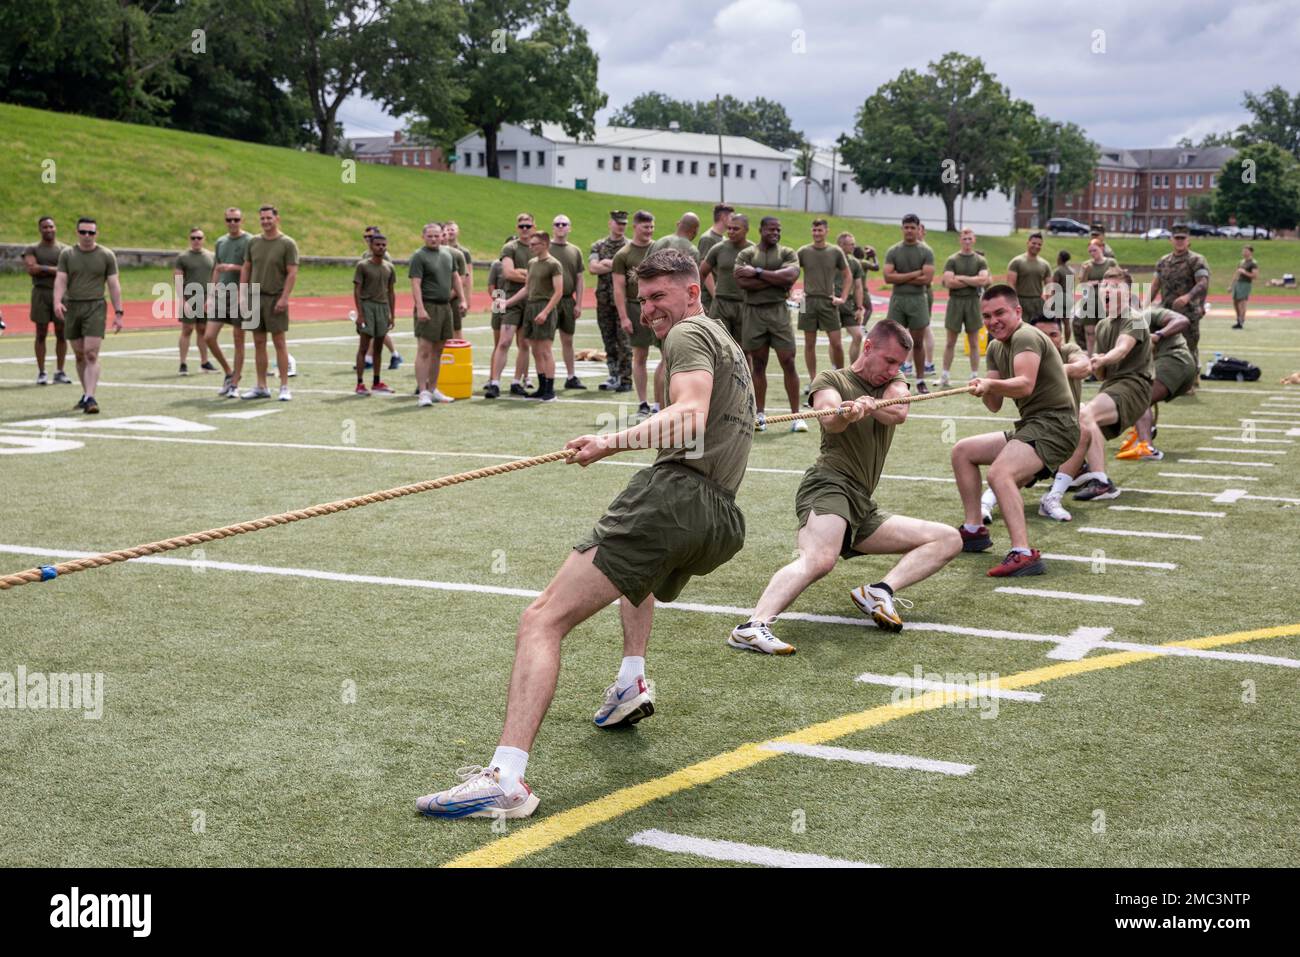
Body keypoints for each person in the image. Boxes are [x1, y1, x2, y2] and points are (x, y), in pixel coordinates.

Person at [416, 249, 755, 820]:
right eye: (643, 299)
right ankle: (630, 680)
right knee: (634, 575)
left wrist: (608, 441)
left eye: (659, 297)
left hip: (677, 497)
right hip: (720, 519)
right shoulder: (727, 342)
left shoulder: (687, 336)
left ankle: (506, 777)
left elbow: (691, 414)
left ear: (693, 292)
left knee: (542, 619)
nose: (649, 311)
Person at [731, 319, 961, 654]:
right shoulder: (831, 380)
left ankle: (879, 591)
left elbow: (898, 410)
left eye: (899, 364)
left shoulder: (892, 383)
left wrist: (870, 405)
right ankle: (752, 625)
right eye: (889, 360)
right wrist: (847, 413)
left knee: (948, 538)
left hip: (861, 504)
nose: (893, 369)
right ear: (868, 347)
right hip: (829, 486)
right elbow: (828, 416)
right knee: (820, 560)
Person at [949, 285, 1080, 577]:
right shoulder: (995, 346)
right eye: (986, 316)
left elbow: (1025, 384)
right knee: (963, 451)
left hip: (1057, 426)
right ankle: (974, 530)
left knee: (999, 474)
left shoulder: (1026, 335)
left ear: (1017, 311)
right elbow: (994, 405)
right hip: (1033, 426)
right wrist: (983, 387)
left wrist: (991, 383)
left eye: (999, 313)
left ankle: (1023, 552)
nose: (993, 321)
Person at [1038, 268, 1153, 516]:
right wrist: (1095, 364)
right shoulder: (1102, 325)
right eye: (1105, 286)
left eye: (1116, 286)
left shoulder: (1134, 319)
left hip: (1135, 384)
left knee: (1085, 414)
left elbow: (1121, 349)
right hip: (1112, 385)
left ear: (1129, 293)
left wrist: (1102, 360)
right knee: (1083, 418)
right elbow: (1101, 374)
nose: (1109, 290)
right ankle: (1085, 471)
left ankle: (1100, 481)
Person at [980, 312, 1091, 524]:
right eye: (1042, 335)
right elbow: (995, 404)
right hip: (1038, 429)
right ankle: (986, 502)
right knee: (1013, 470)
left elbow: (1085, 366)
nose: (1048, 340)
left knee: (1085, 429)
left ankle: (1053, 498)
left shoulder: (1068, 351)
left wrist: (1055, 369)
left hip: (1064, 430)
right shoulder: (1020, 352)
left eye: (1054, 334)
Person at [734, 216, 804, 432]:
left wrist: (758, 273)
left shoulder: (787, 253)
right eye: (771, 229)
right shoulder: (747, 253)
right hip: (754, 312)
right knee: (759, 364)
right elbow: (740, 280)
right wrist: (775, 280)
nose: (775, 232)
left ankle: (796, 415)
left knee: (788, 361)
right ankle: (760, 414)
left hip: (778, 311)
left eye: (778, 229)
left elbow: (790, 276)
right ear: (761, 229)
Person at [53, 217, 123, 415]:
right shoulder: (67, 254)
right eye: (83, 232)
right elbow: (61, 279)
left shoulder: (106, 255)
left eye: (91, 232)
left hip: (95, 306)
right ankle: (86, 395)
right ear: (77, 233)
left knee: (91, 353)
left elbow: (114, 284)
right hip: (72, 307)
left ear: (96, 234)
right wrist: (57, 301)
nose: (87, 236)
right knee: (79, 353)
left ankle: (91, 397)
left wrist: (119, 312)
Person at [1116, 305, 1196, 461]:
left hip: (1175, 360)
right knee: (1136, 394)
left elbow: (1183, 320)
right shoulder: (1120, 327)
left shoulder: (1144, 316)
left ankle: (1146, 446)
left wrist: (1158, 335)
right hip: (1175, 365)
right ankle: (1144, 432)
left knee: (1138, 398)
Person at [238, 204, 298, 401]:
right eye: (262, 218)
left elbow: (292, 273)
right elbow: (246, 267)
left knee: (279, 342)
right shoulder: (253, 242)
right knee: (258, 342)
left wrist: (284, 297)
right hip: (255, 296)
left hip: (275, 297)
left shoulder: (287, 243)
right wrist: (242, 292)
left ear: (277, 219)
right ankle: (261, 386)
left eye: (268, 218)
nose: (265, 222)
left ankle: (284, 386)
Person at [501, 231, 563, 402]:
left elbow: (558, 292)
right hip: (531, 306)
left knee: (545, 350)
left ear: (544, 244)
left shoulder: (554, 264)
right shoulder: (531, 263)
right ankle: (542, 387)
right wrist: (508, 303)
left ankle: (550, 390)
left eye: (534, 244)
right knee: (535, 350)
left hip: (544, 306)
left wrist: (545, 312)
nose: (530, 247)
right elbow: (527, 288)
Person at [410, 223, 463, 406]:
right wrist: (421, 307)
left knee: (438, 351)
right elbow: (415, 283)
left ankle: (433, 389)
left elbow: (455, 277)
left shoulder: (448, 254)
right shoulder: (419, 256)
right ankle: (423, 392)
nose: (433, 239)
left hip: (445, 307)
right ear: (423, 236)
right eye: (430, 236)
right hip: (428, 306)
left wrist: (462, 299)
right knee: (424, 349)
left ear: (442, 236)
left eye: (436, 235)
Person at [485, 213, 537, 398]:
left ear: (534, 226)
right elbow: (507, 274)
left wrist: (522, 273)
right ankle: (494, 382)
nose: (525, 229)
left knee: (524, 343)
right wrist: (530, 275)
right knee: (503, 341)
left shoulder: (537, 247)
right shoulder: (509, 248)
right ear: (517, 227)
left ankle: (518, 381)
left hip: (530, 301)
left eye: (528, 225)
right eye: (521, 226)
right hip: (507, 300)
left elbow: (540, 274)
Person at [612, 210, 657, 417]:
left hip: (658, 306)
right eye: (645, 226)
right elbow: (619, 288)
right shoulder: (623, 254)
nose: (649, 230)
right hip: (634, 306)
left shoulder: (658, 248)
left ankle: (660, 402)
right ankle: (643, 402)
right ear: (635, 227)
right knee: (640, 355)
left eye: (651, 226)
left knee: (669, 354)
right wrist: (623, 317)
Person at [795, 218, 851, 386]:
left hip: (828, 302)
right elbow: (792, 271)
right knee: (809, 343)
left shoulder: (835, 252)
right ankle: (814, 381)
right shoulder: (803, 251)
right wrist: (794, 292)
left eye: (820, 230)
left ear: (827, 231)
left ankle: (841, 378)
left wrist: (843, 298)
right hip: (807, 302)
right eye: (814, 230)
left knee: (837, 343)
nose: (817, 233)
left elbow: (847, 275)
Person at [882, 213, 934, 392]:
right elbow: (888, 277)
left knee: (918, 342)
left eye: (913, 227)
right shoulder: (893, 251)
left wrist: (900, 277)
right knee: (893, 341)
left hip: (918, 299)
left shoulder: (925, 251)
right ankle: (891, 378)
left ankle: (920, 380)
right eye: (906, 227)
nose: (909, 230)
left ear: (918, 229)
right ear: (902, 228)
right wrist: (914, 274)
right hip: (898, 299)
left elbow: (927, 278)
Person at [1150, 222, 1210, 376]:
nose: (1179, 241)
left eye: (1183, 238)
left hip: (1188, 312)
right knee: (1163, 345)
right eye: (1176, 238)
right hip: (1166, 312)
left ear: (1188, 240)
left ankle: (1191, 380)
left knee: (1189, 347)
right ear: (1171, 240)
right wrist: (1144, 305)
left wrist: (1188, 297)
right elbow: (1155, 285)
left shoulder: (1196, 260)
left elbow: (1203, 283)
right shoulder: (1163, 261)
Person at [207, 207, 251, 397]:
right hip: (221, 296)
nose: (233, 223)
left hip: (240, 295)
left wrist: (234, 267)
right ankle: (229, 372)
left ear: (242, 220)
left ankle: (235, 383)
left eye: (236, 219)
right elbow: (217, 268)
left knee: (238, 340)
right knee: (209, 337)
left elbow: (251, 268)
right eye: (229, 220)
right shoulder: (221, 242)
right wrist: (210, 295)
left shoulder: (249, 241)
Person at [22, 216, 71, 385]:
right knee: (41, 332)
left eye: (51, 226)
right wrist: (55, 270)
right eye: (44, 227)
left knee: (61, 333)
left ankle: (60, 371)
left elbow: (67, 272)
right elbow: (31, 269)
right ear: (39, 229)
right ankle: (42, 372)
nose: (48, 230)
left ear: (55, 228)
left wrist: (43, 268)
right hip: (41, 293)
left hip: (61, 294)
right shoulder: (32, 248)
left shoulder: (65, 250)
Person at [940, 228, 990, 387]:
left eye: (970, 239)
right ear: (960, 240)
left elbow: (983, 280)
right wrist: (972, 280)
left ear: (974, 240)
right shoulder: (952, 260)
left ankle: (974, 375)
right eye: (964, 239)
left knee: (974, 342)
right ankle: (945, 375)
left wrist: (960, 278)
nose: (967, 242)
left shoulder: (980, 260)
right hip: (955, 301)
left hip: (973, 302)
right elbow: (948, 282)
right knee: (950, 342)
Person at [589, 211, 632, 392]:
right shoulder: (599, 245)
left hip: (623, 301)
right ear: (610, 224)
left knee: (625, 341)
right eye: (618, 223)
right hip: (605, 300)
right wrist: (614, 265)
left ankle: (626, 379)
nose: (621, 226)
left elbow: (631, 270)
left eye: (624, 223)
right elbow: (592, 268)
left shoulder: (630, 246)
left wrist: (607, 262)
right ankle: (613, 375)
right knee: (608, 340)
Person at [352, 234, 396, 396]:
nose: (381, 248)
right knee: (364, 346)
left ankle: (377, 381)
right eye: (378, 245)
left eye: (384, 245)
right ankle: (360, 383)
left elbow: (391, 292)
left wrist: (392, 314)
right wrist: (360, 314)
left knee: (378, 347)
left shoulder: (389, 267)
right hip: (367, 306)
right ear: (371, 246)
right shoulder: (362, 266)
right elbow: (357, 290)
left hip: (382, 308)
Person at [699, 213, 752, 344]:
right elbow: (702, 272)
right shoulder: (719, 248)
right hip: (721, 304)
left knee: (745, 350)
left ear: (746, 230)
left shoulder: (754, 250)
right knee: (719, 347)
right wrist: (697, 298)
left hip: (744, 305)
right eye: (729, 228)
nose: (731, 232)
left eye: (736, 229)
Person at [548, 214, 587, 389]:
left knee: (568, 341)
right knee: (545, 341)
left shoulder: (575, 251)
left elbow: (579, 279)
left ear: (569, 228)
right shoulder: (546, 248)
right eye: (557, 224)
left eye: (564, 224)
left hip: (567, 300)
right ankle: (547, 377)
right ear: (553, 227)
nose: (561, 227)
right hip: (548, 300)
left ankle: (571, 376)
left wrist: (578, 303)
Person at [173, 228, 215, 376]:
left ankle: (204, 363)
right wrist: (183, 300)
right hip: (190, 296)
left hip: (205, 297)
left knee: (203, 330)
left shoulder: (211, 256)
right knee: (187, 329)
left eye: (199, 237)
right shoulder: (183, 257)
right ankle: (183, 363)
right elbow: (178, 279)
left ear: (204, 239)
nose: (196, 240)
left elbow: (214, 278)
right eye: (193, 238)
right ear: (190, 239)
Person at [361, 225, 403, 369]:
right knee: (374, 330)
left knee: (379, 330)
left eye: (370, 236)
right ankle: (393, 355)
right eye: (365, 237)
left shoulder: (385, 256)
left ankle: (371, 358)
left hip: (381, 299)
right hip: (368, 298)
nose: (367, 239)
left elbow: (388, 279)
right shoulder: (365, 255)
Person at [1074, 239, 1117, 359]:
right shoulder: (1086, 264)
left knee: (1105, 332)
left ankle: (1106, 359)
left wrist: (1100, 282)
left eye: (1095, 250)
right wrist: (1086, 275)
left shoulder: (1111, 263)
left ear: (1102, 248)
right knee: (1090, 333)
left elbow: (1118, 279)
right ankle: (1091, 360)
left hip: (1106, 301)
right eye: (1090, 251)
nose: (1092, 253)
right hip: (1089, 302)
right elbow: (1082, 284)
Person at [1006, 232, 1052, 326]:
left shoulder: (1045, 264)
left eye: (1039, 244)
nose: (1036, 246)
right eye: (1034, 243)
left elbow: (1049, 287)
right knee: (1020, 329)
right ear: (1028, 243)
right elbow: (1011, 284)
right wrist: (1015, 302)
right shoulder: (1016, 262)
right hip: (1021, 301)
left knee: (1038, 329)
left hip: (1038, 302)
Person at [834, 232, 866, 364]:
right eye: (851, 244)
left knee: (858, 336)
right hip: (832, 304)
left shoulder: (855, 263)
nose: (854, 246)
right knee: (835, 340)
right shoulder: (831, 260)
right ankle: (836, 368)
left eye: (854, 243)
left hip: (848, 305)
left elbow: (858, 287)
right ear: (841, 244)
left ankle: (854, 370)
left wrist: (859, 307)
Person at [697, 203, 733, 314]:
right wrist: (715, 296)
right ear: (723, 217)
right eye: (732, 217)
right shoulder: (708, 238)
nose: (734, 220)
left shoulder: (724, 238)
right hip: (710, 298)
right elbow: (705, 270)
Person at [445, 220, 473, 335]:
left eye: (453, 229)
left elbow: (467, 276)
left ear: (458, 232)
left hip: (455, 295)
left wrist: (467, 298)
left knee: (456, 327)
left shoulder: (463, 252)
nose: (450, 232)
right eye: (448, 229)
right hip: (442, 292)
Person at [917, 222, 937, 379]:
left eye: (918, 229)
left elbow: (925, 276)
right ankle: (909, 363)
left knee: (924, 327)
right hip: (914, 292)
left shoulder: (924, 250)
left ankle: (928, 363)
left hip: (923, 291)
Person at [1231, 245, 1259, 330]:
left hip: (1245, 283)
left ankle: (1241, 321)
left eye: (1246, 251)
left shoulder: (1253, 263)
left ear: (1251, 252)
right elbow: (1236, 273)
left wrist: (1245, 272)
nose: (1244, 252)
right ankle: (1238, 319)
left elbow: (1255, 276)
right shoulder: (1241, 262)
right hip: (1238, 283)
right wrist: (1231, 285)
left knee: (1242, 303)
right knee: (1235, 302)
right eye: (1243, 251)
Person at [1050, 250, 1073, 343]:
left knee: (1056, 322)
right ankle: (1067, 343)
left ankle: (1057, 342)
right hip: (1068, 298)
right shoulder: (1071, 271)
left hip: (1059, 298)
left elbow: (1055, 287)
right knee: (1067, 323)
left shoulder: (1058, 271)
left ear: (1059, 258)